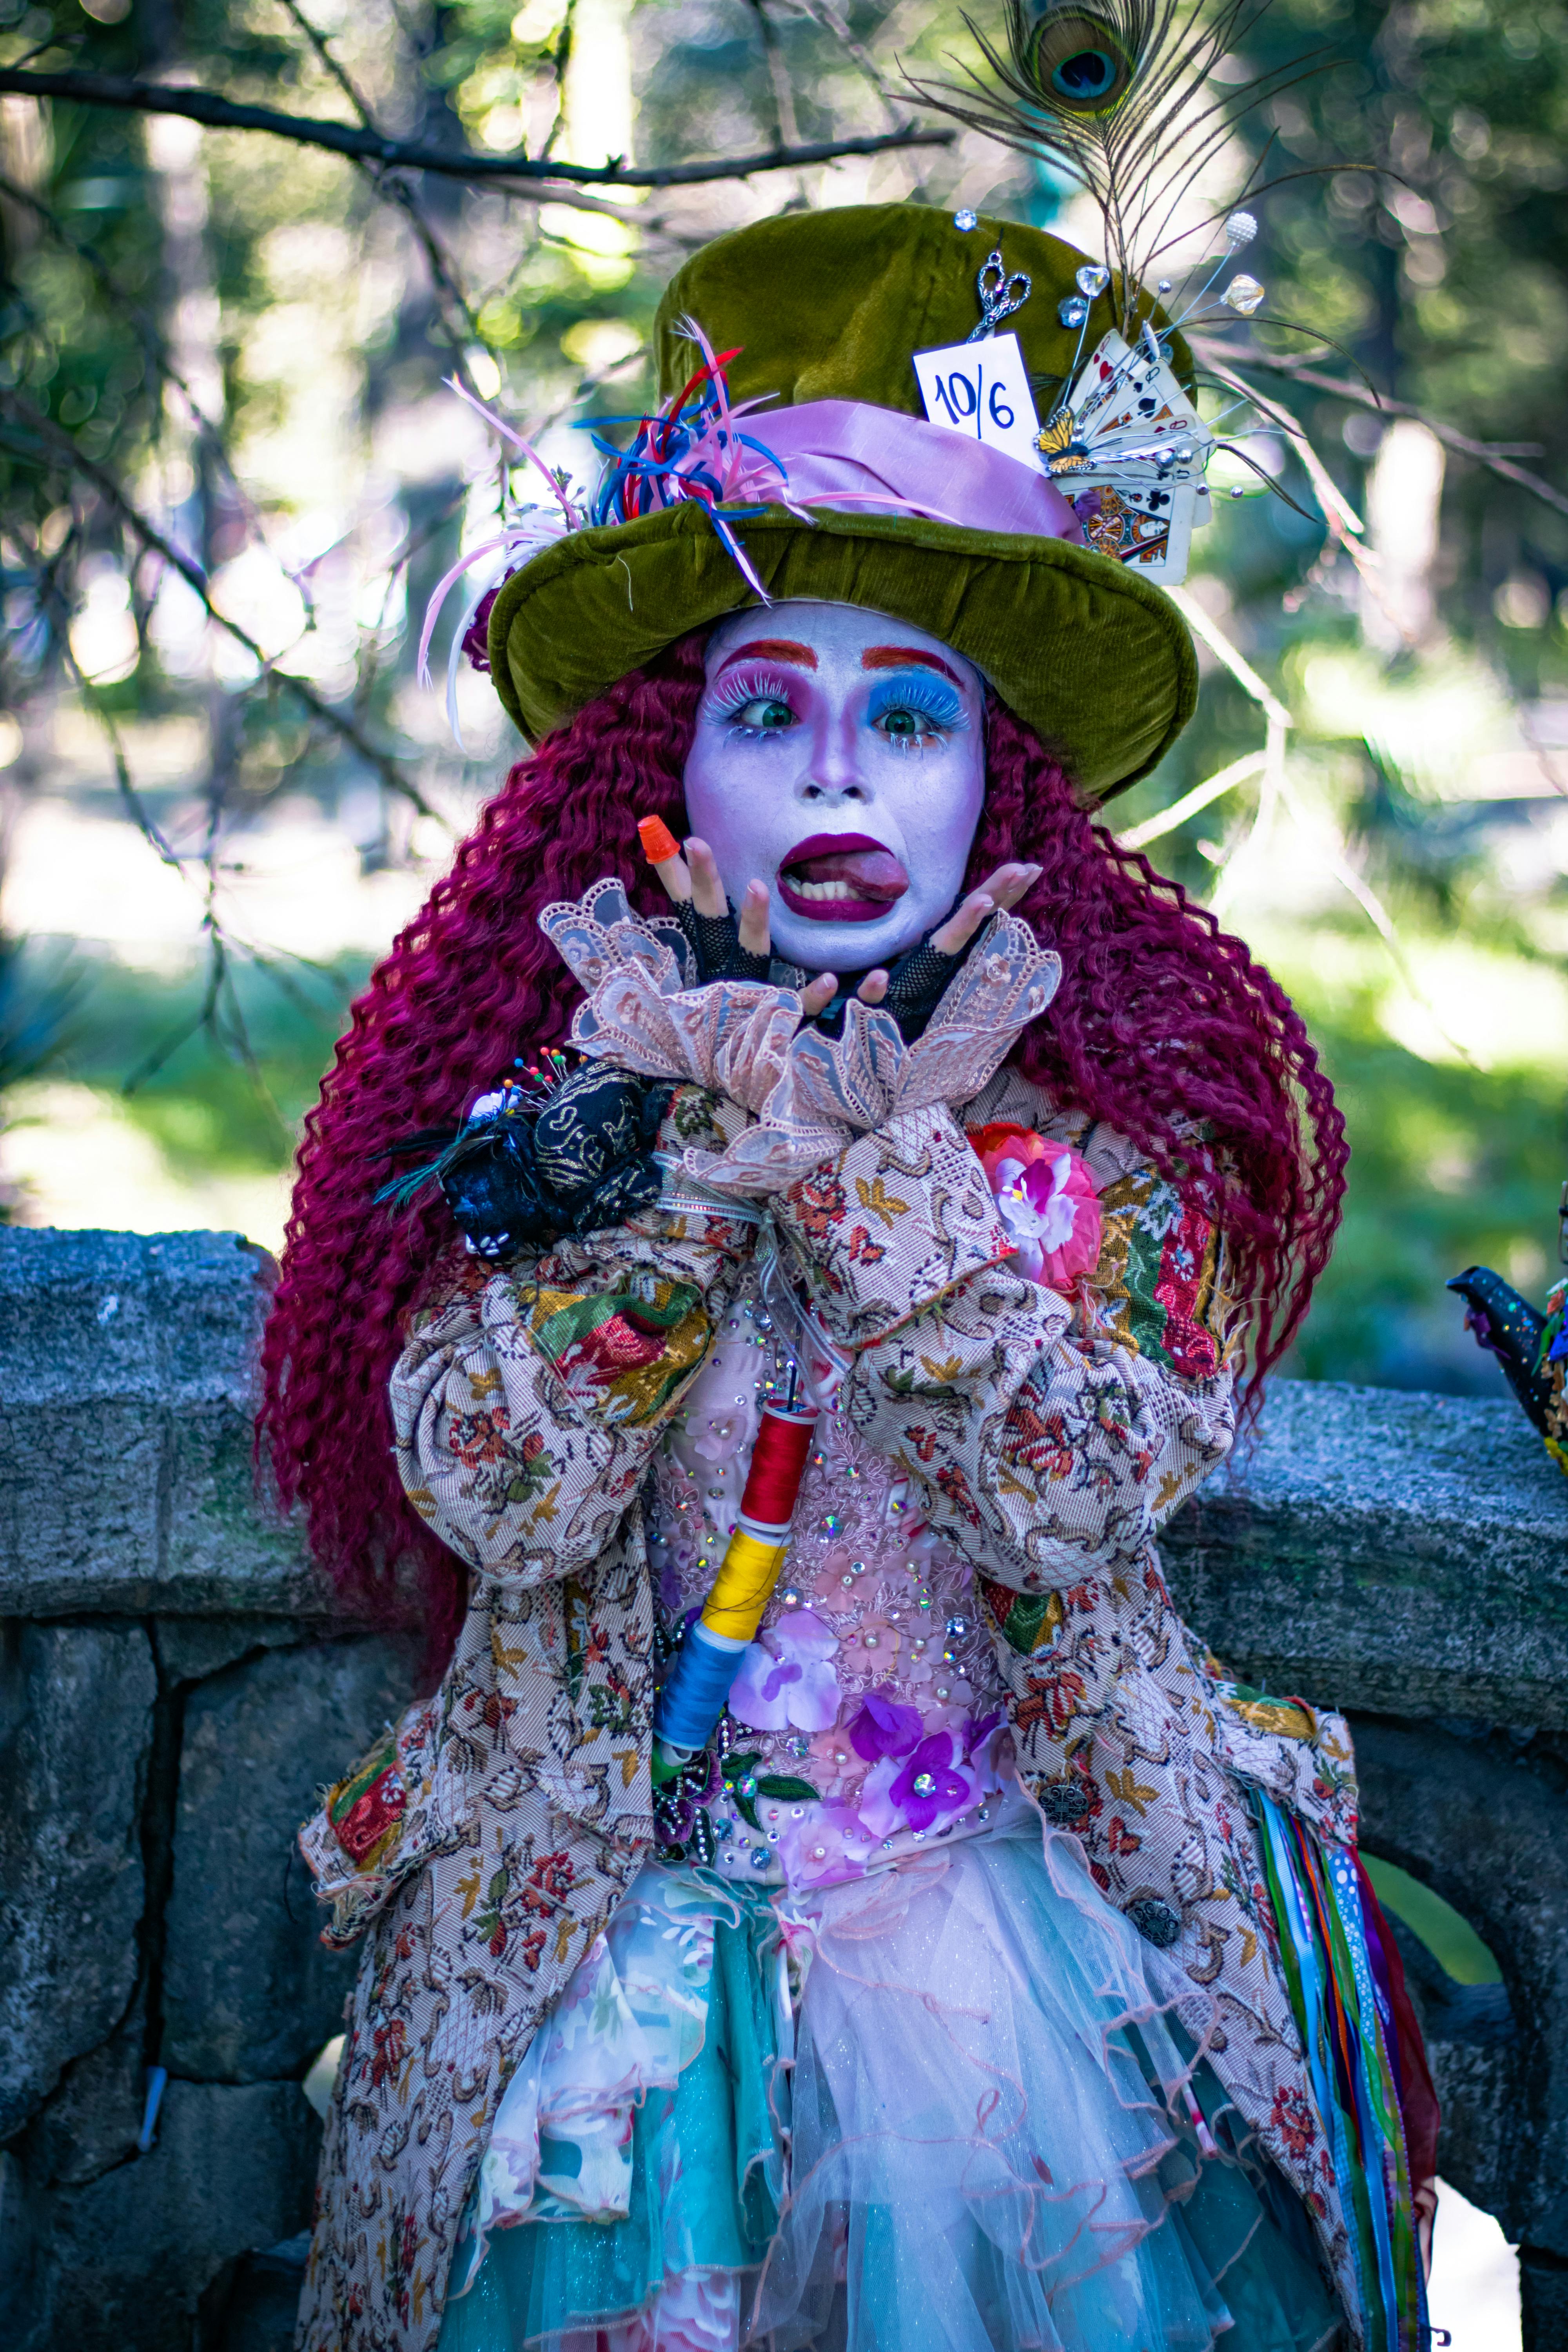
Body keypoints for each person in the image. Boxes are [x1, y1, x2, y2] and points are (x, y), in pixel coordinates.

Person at [263, 201, 1438, 2352]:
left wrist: (886, 1174)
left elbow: (1074, 1494)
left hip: (1009, 1968)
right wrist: (702, 1151)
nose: (831, 768)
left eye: (907, 717)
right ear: (662, 777)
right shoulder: (558, 1113)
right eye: (765, 705)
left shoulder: (1101, 1147)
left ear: (996, 787)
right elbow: (497, 1489)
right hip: (597, 1963)